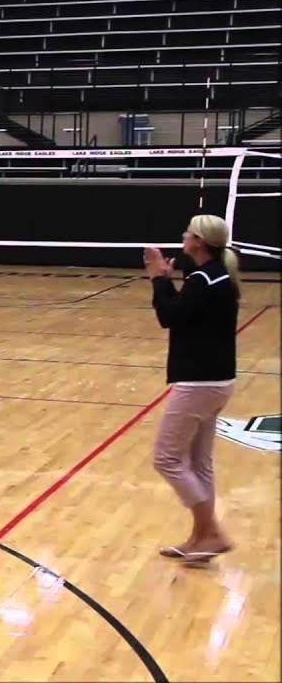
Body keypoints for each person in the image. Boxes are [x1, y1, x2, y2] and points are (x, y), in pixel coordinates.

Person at [144, 214, 240, 566]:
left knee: (166, 459)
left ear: (199, 241)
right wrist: (167, 281)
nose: (183, 235)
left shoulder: (204, 279)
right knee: (199, 462)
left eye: (188, 231)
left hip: (199, 382)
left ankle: (211, 531)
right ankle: (200, 539)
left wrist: (157, 277)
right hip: (218, 380)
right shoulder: (216, 276)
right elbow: (183, 312)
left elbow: (168, 316)